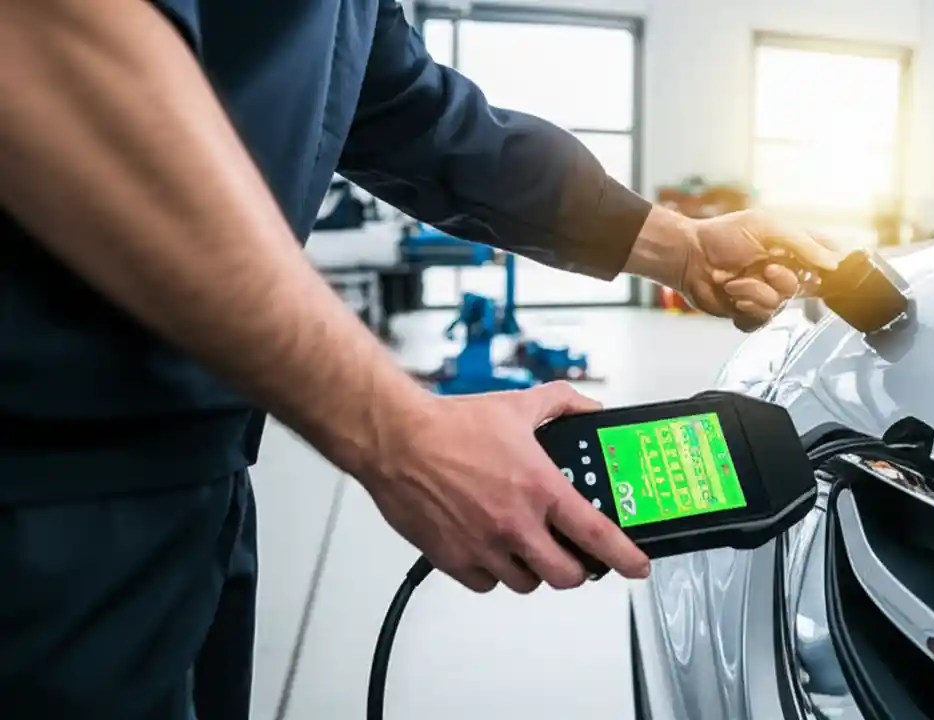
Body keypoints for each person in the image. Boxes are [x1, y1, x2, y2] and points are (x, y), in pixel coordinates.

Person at [0, 2, 843, 718]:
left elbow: (423, 120)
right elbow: (45, 52)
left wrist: (679, 247)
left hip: (195, 459)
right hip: (39, 480)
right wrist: (395, 429)